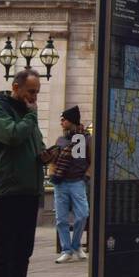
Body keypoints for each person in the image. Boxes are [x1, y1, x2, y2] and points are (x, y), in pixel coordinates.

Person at [0, 67, 56, 277]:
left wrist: (45, 155)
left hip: (28, 190)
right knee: (3, 253)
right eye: (30, 91)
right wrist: (31, 118)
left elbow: (34, 144)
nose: (34, 97)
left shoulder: (28, 114)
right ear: (16, 87)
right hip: (6, 190)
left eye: (37, 92)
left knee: (23, 252)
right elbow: (12, 136)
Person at [50, 106, 91, 263]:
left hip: (77, 182)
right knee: (61, 218)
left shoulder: (86, 139)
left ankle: (75, 246)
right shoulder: (60, 140)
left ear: (72, 121)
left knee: (83, 214)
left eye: (64, 119)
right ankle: (67, 249)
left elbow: (91, 159)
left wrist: (85, 177)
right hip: (60, 182)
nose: (61, 122)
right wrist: (52, 172)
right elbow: (53, 160)